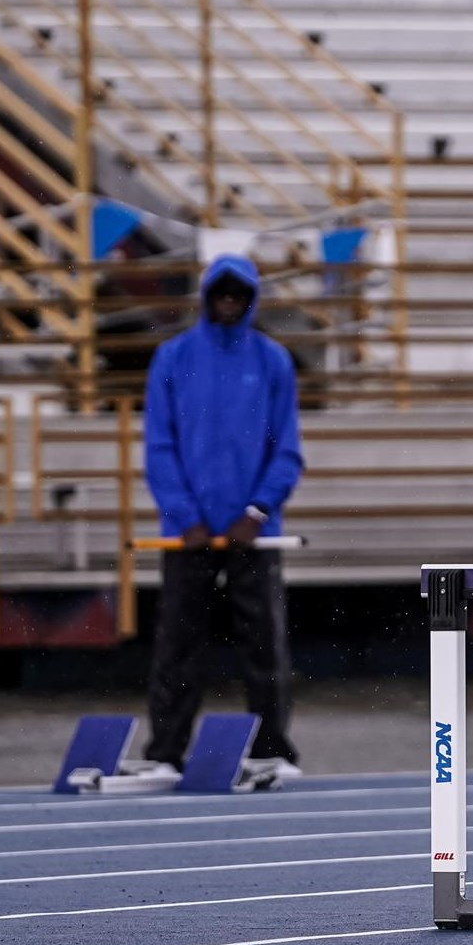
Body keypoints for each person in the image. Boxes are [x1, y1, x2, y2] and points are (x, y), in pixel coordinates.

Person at [142, 254, 304, 773]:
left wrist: (257, 511)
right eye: (221, 295)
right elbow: (159, 446)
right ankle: (166, 751)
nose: (229, 304)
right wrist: (184, 514)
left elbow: (287, 449)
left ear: (251, 300)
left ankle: (272, 749)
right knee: (178, 645)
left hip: (253, 534)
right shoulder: (172, 358)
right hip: (186, 534)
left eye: (239, 296)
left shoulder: (273, 361)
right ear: (207, 298)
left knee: (264, 646)